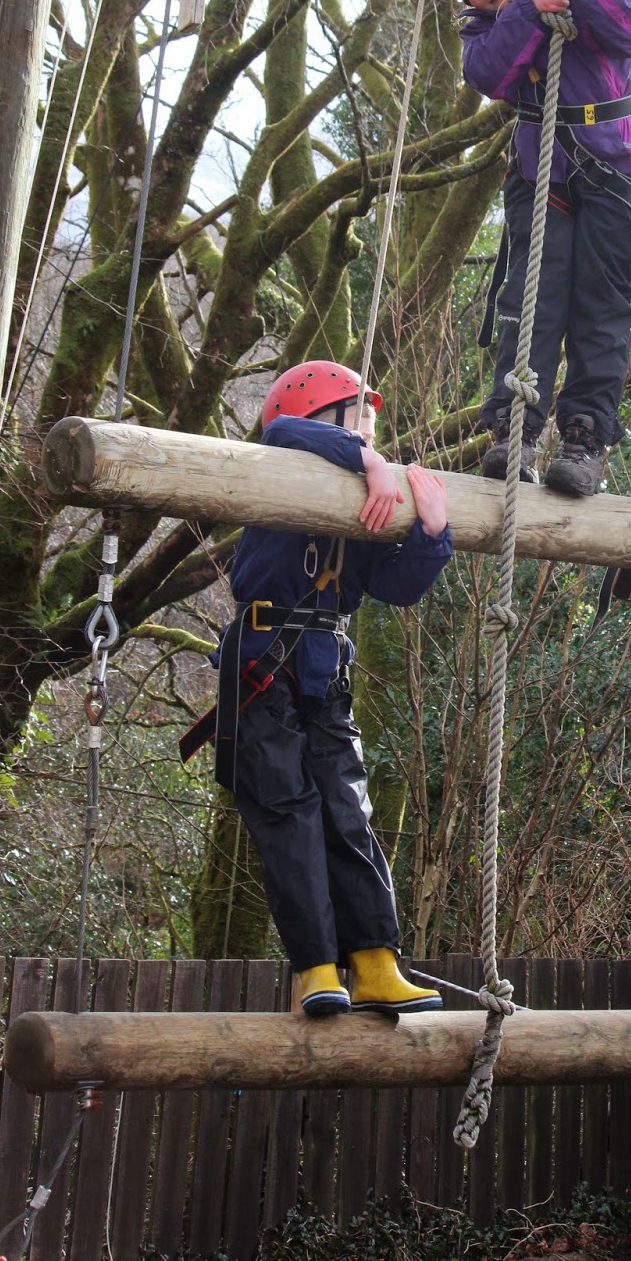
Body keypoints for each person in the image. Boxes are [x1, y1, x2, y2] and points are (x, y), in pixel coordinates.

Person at [211, 360, 454, 1016]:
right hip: (265, 654)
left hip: (323, 660)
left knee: (348, 813)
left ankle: (374, 961)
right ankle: (317, 969)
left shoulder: (364, 496)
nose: (371, 442)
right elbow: (283, 429)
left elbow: (393, 586)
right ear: (327, 421)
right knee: (288, 813)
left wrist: (431, 534)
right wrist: (366, 461)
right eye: (359, 428)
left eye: (372, 435)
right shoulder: (284, 457)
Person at [431, 0, 631, 497]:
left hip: (615, 165)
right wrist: (530, 13)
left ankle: (584, 437)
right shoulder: (488, 30)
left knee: (601, 307)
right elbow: (491, 76)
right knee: (532, 297)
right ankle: (516, 428)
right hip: (543, 173)